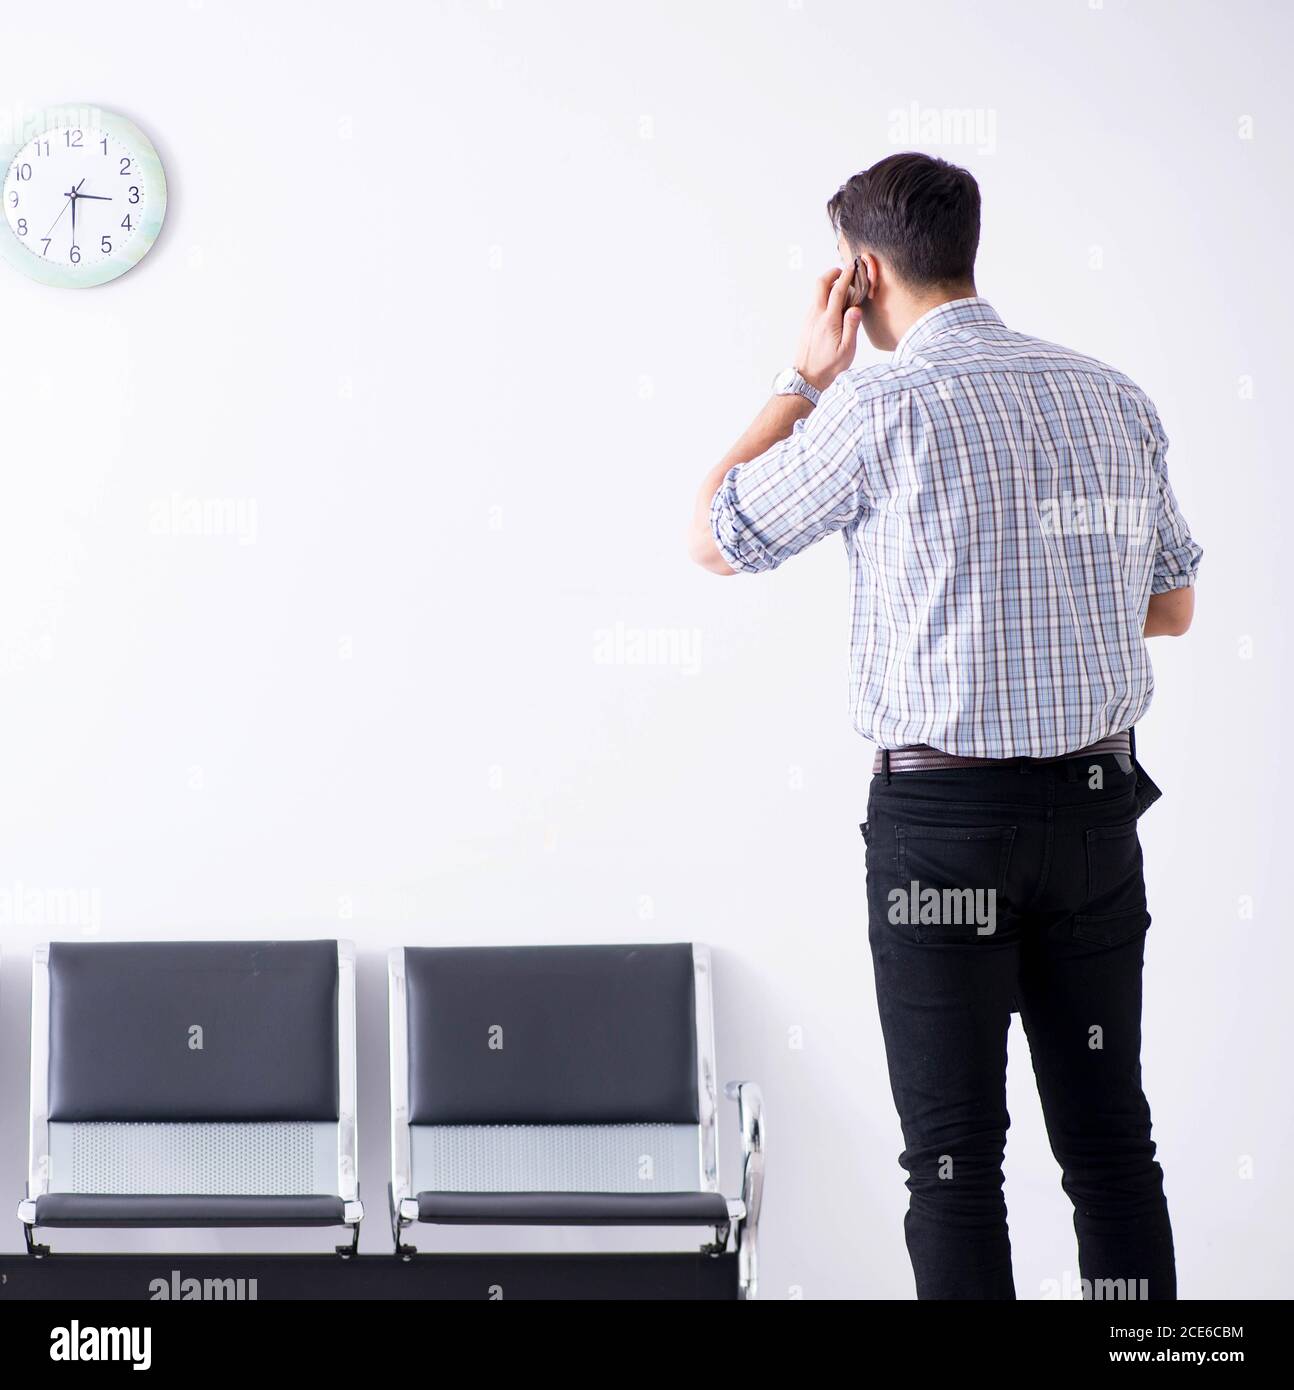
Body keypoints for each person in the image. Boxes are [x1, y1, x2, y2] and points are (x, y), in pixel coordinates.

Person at [687, 152, 1201, 1300]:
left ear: (859, 275)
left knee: (956, 1163)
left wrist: (800, 374)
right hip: (1090, 823)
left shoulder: (876, 404)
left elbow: (716, 533)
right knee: (1111, 1148)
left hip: (941, 830)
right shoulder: (1109, 394)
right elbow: (1171, 605)